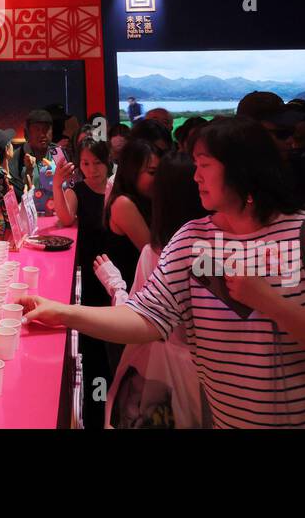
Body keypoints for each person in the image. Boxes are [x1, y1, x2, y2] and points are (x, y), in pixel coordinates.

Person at [20, 118, 305, 428]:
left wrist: (272, 304)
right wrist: (62, 312)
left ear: (242, 170)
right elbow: (146, 317)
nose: (195, 176)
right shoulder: (194, 240)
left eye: (205, 165)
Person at [94, 159, 206, 428]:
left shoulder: (159, 253)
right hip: (208, 378)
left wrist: (115, 283)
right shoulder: (215, 250)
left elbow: (136, 316)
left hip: (163, 374)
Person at [52, 138, 113, 429]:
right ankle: (95, 414)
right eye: (86, 164)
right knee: (93, 350)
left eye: (97, 162)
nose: (92, 170)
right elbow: (64, 218)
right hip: (91, 278)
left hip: (116, 274)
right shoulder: (78, 190)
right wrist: (57, 184)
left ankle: (113, 407)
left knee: (113, 347)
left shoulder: (116, 190)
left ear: (107, 161)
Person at [100, 139, 158, 371]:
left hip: (139, 300)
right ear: (132, 171)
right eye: (152, 172)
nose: (159, 178)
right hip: (126, 301)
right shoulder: (123, 203)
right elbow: (153, 253)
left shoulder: (146, 199)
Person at [9, 108, 58, 213]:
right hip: (26, 215)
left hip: (55, 214)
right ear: (26, 133)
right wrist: (29, 171)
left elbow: (68, 186)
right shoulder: (16, 157)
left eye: (46, 129)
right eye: (37, 129)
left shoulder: (58, 153)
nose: (42, 134)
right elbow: (13, 193)